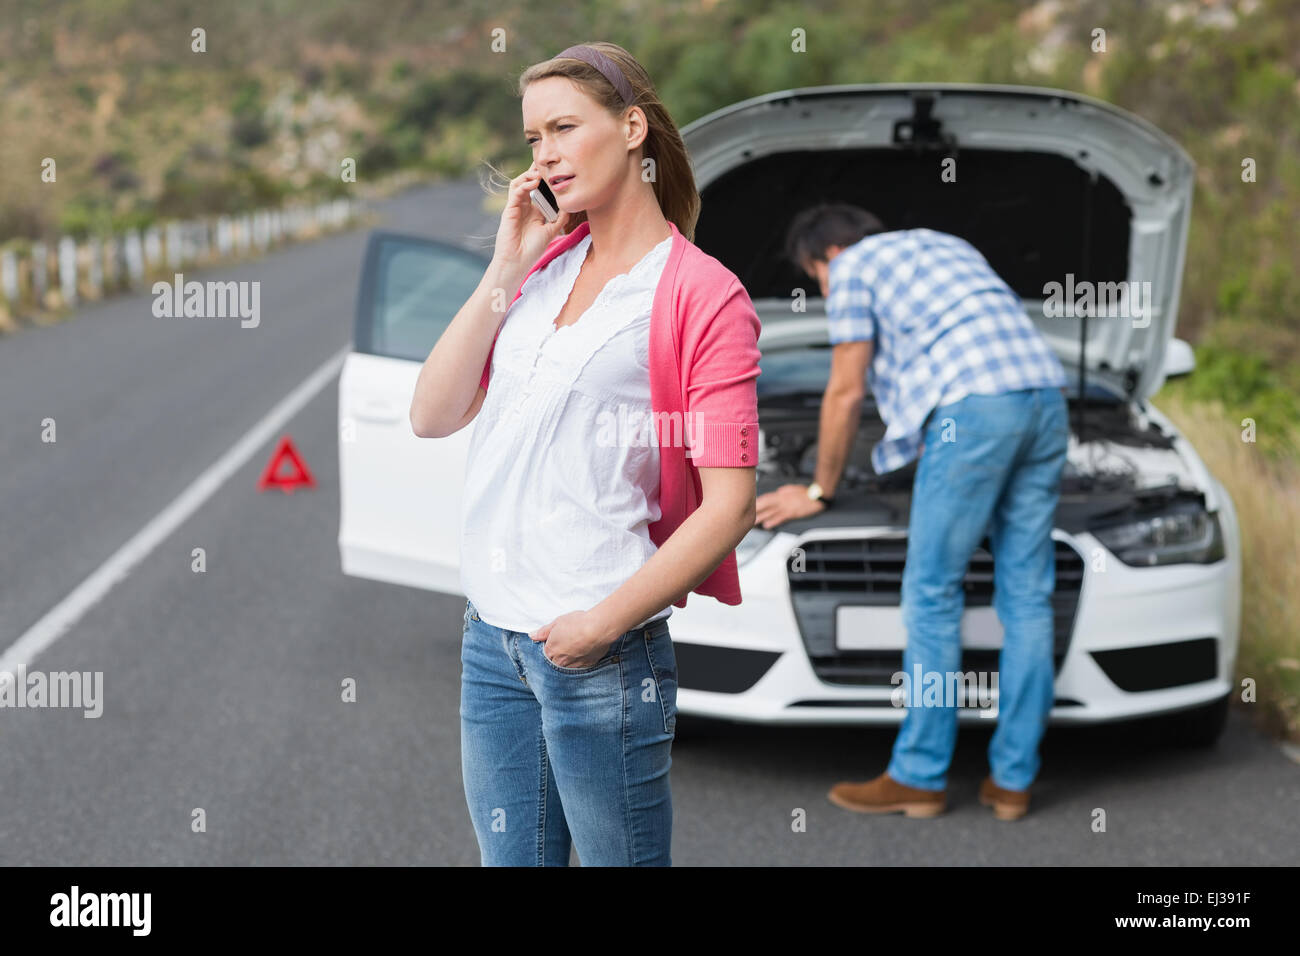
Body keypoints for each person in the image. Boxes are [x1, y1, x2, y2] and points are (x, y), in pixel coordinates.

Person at [409, 42, 761, 864]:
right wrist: (508, 261)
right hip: (492, 641)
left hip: (599, 651)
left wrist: (598, 628)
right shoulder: (540, 267)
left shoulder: (702, 295)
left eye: (564, 128)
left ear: (633, 127)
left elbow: (731, 505)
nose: (546, 156)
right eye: (533, 140)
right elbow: (432, 412)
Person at [760, 203, 1069, 821]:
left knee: (931, 594)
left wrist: (818, 490)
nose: (824, 290)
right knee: (1029, 597)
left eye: (814, 279)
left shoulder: (851, 269)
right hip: (1047, 402)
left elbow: (846, 390)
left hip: (975, 411)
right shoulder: (946, 241)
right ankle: (1012, 781)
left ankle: (920, 776)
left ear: (825, 258)